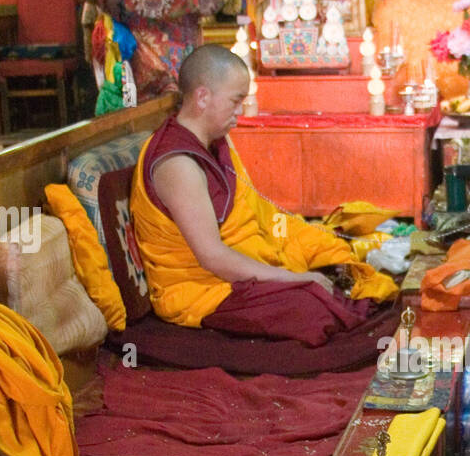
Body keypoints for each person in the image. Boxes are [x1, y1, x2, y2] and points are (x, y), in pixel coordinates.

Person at [130, 45, 396, 346]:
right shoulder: (178, 164)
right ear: (203, 97)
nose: (240, 111)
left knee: (326, 254)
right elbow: (212, 257)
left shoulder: (214, 141)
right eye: (235, 101)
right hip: (200, 289)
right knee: (313, 309)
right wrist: (294, 278)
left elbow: (254, 212)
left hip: (235, 265)